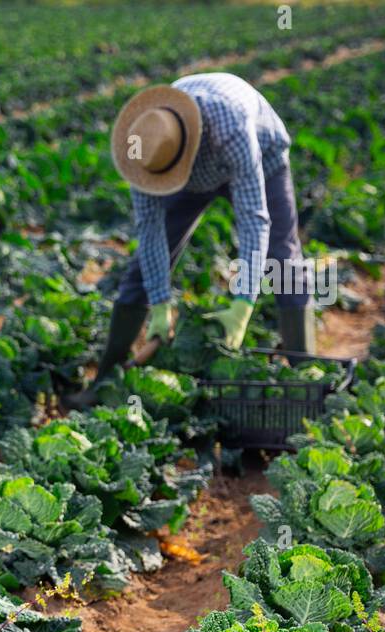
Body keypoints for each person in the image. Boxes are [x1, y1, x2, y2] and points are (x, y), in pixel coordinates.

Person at [68, 73, 316, 409]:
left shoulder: (232, 130)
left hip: (262, 160)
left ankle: (305, 378)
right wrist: (159, 304)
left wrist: (243, 304)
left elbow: (254, 220)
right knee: (143, 269)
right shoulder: (146, 150)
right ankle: (105, 381)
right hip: (183, 176)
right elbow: (151, 230)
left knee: (283, 259)